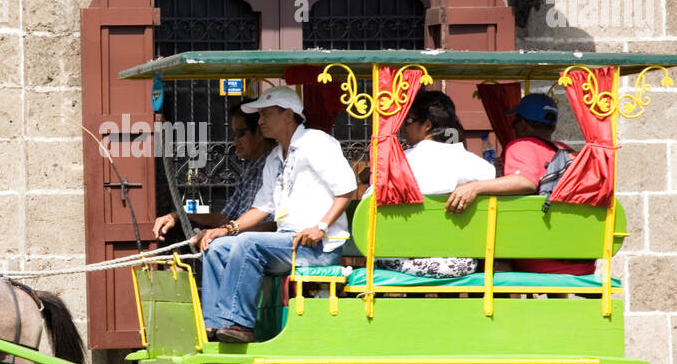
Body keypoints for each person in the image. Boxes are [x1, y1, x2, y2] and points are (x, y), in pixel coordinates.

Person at [197, 86, 357, 343]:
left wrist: (321, 227)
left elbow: (347, 188)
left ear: (288, 115)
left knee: (248, 244)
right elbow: (262, 208)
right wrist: (225, 230)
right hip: (286, 243)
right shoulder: (274, 157)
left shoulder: (315, 142)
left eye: (265, 114)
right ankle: (214, 326)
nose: (260, 121)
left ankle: (239, 325)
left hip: (317, 246)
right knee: (217, 248)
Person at [444, 92, 593, 275]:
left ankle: (494, 303)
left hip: (538, 257)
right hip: (578, 256)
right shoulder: (566, 151)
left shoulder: (521, 145)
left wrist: (474, 187)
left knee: (487, 249)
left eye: (515, 121)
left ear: (522, 124)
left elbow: (526, 182)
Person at [376, 90, 495, 278]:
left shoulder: (397, 164)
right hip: (458, 263)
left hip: (404, 260)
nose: (404, 127)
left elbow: (369, 207)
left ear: (427, 125)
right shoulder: (479, 166)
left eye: (408, 120)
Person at [151, 105, 274, 248]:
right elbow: (223, 218)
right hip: (238, 239)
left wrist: (227, 233)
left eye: (240, 133)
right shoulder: (251, 168)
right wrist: (179, 216)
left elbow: (273, 225)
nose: (235, 142)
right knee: (175, 233)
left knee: (214, 246)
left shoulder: (275, 164)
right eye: (234, 135)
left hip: (256, 245)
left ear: (259, 133)